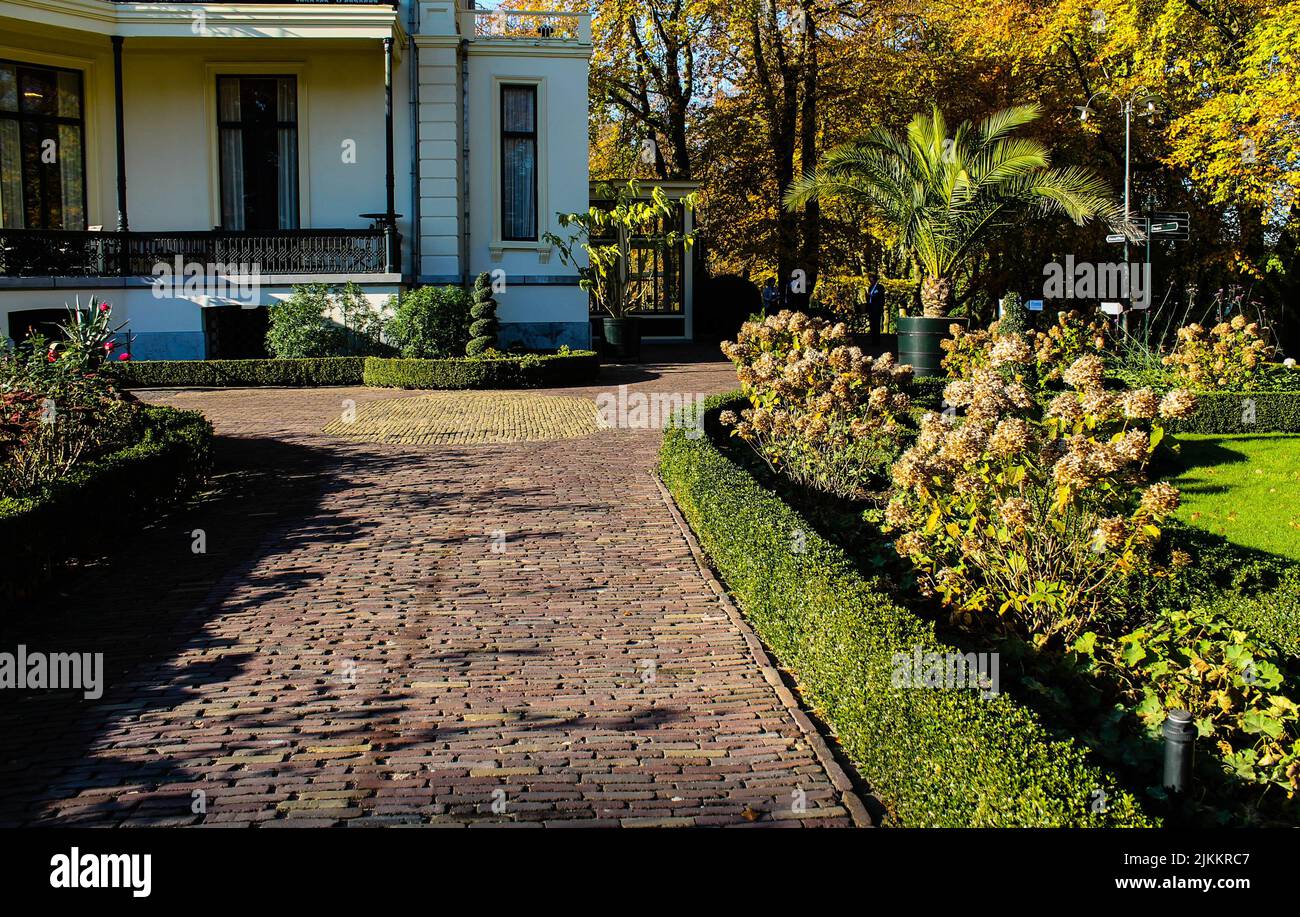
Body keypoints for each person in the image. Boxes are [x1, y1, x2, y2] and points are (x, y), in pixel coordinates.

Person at [865, 271, 887, 343]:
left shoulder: (880, 287)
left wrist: (872, 296)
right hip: (871, 307)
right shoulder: (870, 287)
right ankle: (873, 339)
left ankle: (877, 340)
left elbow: (880, 296)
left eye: (871, 279)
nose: (870, 280)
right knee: (872, 324)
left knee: (877, 324)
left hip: (877, 308)